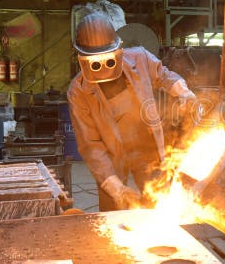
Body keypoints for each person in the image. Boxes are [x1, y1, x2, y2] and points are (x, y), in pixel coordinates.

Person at [67, 13, 197, 211]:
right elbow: (91, 145)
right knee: (113, 211)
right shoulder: (78, 91)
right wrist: (116, 188)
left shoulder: (139, 58)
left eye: (109, 60)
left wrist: (183, 92)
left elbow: (163, 75)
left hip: (146, 147)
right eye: (95, 62)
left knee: (158, 201)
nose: (103, 67)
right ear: (82, 59)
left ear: (118, 49)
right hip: (111, 156)